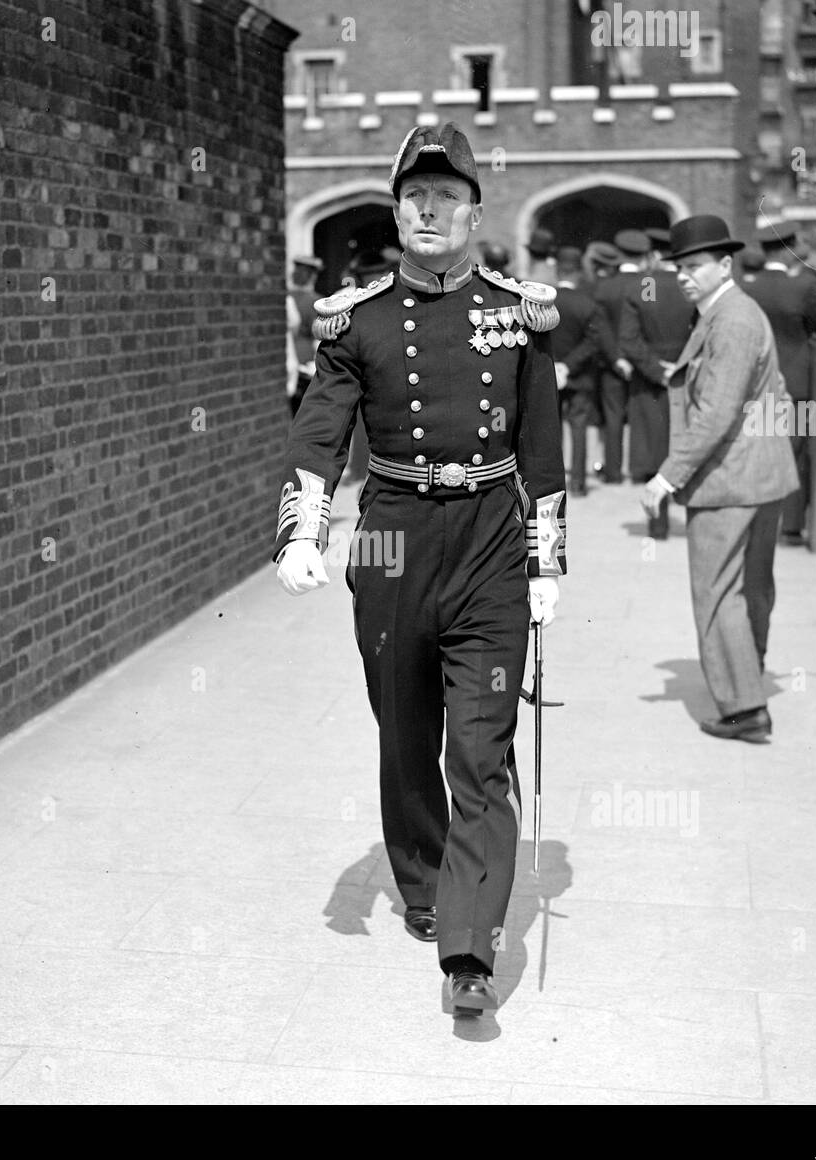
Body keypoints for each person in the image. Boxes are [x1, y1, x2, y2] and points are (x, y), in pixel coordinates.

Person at [274, 122, 567, 1015]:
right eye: (414, 197)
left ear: (476, 211)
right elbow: (321, 429)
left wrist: (545, 556)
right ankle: (423, 881)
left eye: (447, 196)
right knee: (405, 735)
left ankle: (469, 947)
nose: (430, 209)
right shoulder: (355, 321)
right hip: (392, 535)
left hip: (487, 540)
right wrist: (303, 528)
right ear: (396, 211)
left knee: (480, 749)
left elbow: (541, 442)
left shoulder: (518, 315)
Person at [640, 215, 799, 743]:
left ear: (724, 265)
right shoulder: (733, 313)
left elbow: (715, 413)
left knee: (718, 593)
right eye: (679, 267)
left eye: (695, 266)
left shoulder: (729, 320)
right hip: (760, 476)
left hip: (728, 479)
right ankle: (748, 681)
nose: (685, 276)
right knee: (751, 588)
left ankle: (745, 707)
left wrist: (665, 478)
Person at [741, 220, 816, 546]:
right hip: (798, 383)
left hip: (759, 383)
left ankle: (759, 523)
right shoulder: (806, 287)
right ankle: (790, 527)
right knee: (795, 455)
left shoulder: (748, 288)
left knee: (759, 451)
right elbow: (815, 325)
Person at [618, 235, 695, 538]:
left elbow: (629, 340)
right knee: (688, 445)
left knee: (654, 449)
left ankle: (658, 524)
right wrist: (680, 367)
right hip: (687, 375)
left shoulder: (643, 287)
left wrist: (657, 370)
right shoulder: (690, 286)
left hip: (649, 382)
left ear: (651, 255)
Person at [551, 246, 611, 497]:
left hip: (549, 374)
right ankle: (578, 484)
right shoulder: (588, 305)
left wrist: (555, 365)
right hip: (579, 374)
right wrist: (569, 365)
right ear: (578, 273)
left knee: (551, 430)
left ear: (558, 270)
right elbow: (593, 341)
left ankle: (553, 483)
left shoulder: (545, 300)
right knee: (578, 428)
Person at [590, 231, 642, 482]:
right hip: (641, 361)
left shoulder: (605, 285)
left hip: (612, 363)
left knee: (613, 416)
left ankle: (613, 472)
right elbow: (648, 322)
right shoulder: (647, 284)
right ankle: (641, 469)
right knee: (642, 414)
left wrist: (615, 358)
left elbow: (601, 328)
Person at [288, 254, 324, 416]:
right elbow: (318, 337)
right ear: (313, 276)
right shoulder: (316, 301)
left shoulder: (286, 296)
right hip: (304, 363)